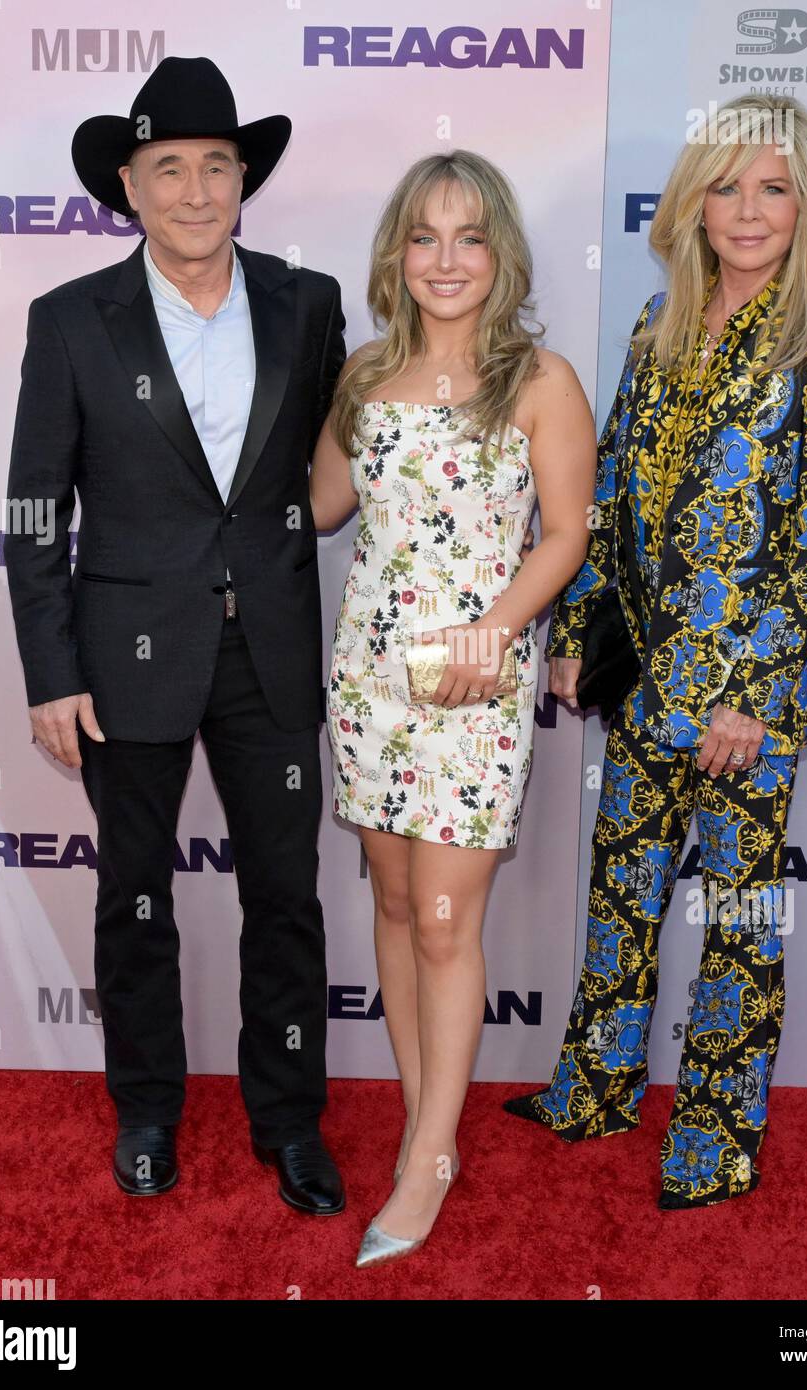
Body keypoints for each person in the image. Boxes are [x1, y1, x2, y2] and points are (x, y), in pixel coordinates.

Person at [504, 95, 807, 1208]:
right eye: (726, 186)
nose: (748, 210)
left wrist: (751, 695)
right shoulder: (656, 327)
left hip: (742, 704)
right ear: (693, 204)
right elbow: (610, 495)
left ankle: (716, 1140)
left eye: (774, 188)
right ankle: (597, 1087)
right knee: (620, 892)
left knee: (740, 917)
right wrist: (579, 632)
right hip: (643, 678)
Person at [4, 57, 348, 1212]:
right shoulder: (70, 321)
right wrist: (50, 671)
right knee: (136, 896)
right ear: (129, 184)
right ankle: (147, 1108)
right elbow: (34, 509)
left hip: (272, 651)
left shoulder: (308, 304)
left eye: (215, 166)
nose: (195, 191)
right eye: (168, 169)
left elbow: (340, 466)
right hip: (125, 656)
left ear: (243, 177)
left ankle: (288, 1120)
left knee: (286, 899)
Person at [309, 151, 597, 1264]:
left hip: (477, 683)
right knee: (392, 903)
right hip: (371, 682)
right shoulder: (364, 376)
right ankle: (421, 1120)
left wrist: (494, 632)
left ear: (499, 254)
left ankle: (431, 1157)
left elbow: (565, 535)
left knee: (442, 923)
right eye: (423, 237)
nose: (444, 259)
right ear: (395, 253)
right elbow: (319, 506)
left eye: (468, 237)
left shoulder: (539, 379)